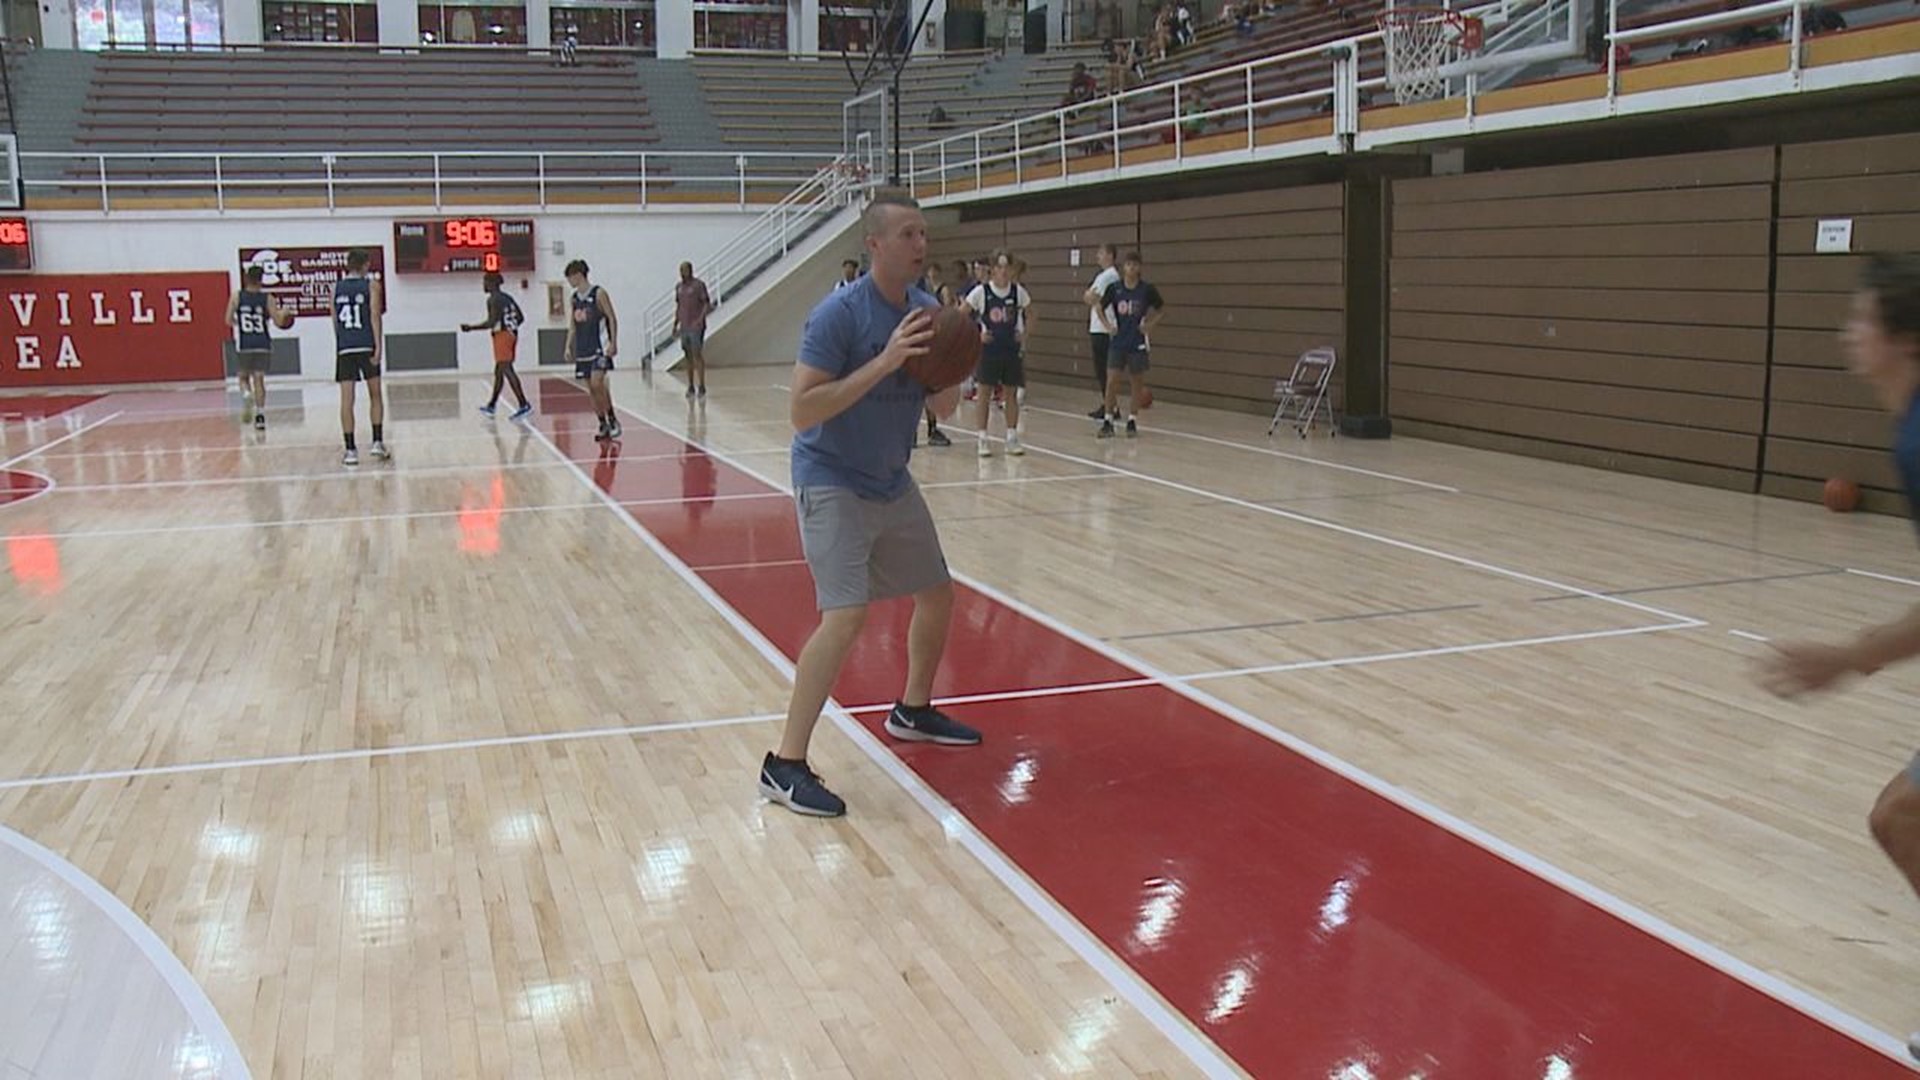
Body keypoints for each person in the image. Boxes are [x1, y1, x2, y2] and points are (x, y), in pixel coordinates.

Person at [759, 189, 976, 818]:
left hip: (890, 478)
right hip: (831, 478)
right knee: (846, 616)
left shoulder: (929, 312)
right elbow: (802, 412)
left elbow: (939, 409)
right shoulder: (837, 317)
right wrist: (885, 363)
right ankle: (785, 764)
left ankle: (912, 710)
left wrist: (951, 366)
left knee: (937, 593)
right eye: (908, 234)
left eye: (924, 235)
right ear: (874, 245)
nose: (921, 245)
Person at [1759, 255, 1920, 1058]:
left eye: (1862, 320)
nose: (1847, 333)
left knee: (1900, 815)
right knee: (1900, 818)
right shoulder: (1908, 431)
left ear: (1906, 339)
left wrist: (1849, 656)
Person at [965, 249, 1033, 458]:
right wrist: (976, 336)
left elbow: (1032, 313)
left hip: (1011, 351)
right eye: (999, 267)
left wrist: (1025, 334)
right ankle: (982, 438)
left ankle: (1011, 437)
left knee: (1010, 394)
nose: (1003, 271)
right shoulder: (981, 293)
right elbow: (960, 317)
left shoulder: (1017, 292)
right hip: (989, 351)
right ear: (992, 270)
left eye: (1006, 267)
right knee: (984, 395)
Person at [1098, 250, 1165, 439]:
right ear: (1124, 267)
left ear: (1140, 268)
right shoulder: (1115, 288)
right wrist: (1108, 326)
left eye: (1135, 265)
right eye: (1128, 264)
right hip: (1118, 342)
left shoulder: (1147, 290)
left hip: (1137, 342)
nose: (1131, 268)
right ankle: (1108, 419)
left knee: (1137, 383)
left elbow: (1161, 310)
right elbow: (1099, 307)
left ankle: (1132, 419)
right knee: (1112, 382)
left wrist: (1150, 325)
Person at [332, 249, 387, 466]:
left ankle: (350, 450)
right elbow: (374, 315)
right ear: (364, 265)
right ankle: (376, 443)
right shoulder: (371, 285)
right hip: (366, 344)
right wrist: (378, 346)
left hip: (345, 347)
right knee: (375, 395)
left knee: (347, 401)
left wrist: (341, 343)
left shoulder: (336, 287)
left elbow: (334, 319)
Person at [226, 265, 291, 432]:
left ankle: (247, 395)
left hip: (245, 342)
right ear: (262, 280)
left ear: (246, 278)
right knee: (259, 379)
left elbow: (227, 319)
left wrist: (239, 323)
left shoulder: (236, 296)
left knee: (242, 377)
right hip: (262, 343)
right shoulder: (268, 298)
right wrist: (285, 313)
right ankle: (260, 416)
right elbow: (278, 321)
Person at [562, 259, 622, 442]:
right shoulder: (574, 299)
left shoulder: (599, 293)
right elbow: (573, 325)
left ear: (578, 275)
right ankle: (602, 423)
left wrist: (613, 342)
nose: (570, 281)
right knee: (592, 389)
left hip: (600, 346)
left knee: (597, 383)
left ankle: (612, 419)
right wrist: (568, 345)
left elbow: (612, 318)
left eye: (570, 277)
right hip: (583, 347)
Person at [462, 271, 533, 420]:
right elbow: (520, 317)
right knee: (499, 371)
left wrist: (471, 328)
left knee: (506, 369)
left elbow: (491, 322)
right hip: (512, 334)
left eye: (485, 282)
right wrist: (511, 327)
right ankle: (492, 405)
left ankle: (524, 404)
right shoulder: (508, 298)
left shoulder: (493, 300)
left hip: (502, 336)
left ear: (492, 283)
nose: (483, 285)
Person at [1083, 243, 1121, 420]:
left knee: (1104, 370)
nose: (1097, 256)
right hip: (1099, 327)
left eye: (1101, 253)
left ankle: (1110, 406)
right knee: (1103, 370)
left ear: (1110, 256)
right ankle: (1110, 404)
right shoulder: (1103, 276)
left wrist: (1089, 295)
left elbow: (1091, 297)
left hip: (1103, 329)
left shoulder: (1109, 276)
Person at [673, 261, 715, 400]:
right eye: (680, 270)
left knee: (697, 354)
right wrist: (675, 324)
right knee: (687, 355)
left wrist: (700, 319)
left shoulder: (698, 285)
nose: (682, 273)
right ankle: (690, 386)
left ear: (690, 270)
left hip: (696, 327)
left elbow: (706, 304)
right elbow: (679, 307)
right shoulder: (679, 288)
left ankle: (701, 386)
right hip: (684, 326)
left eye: (684, 270)